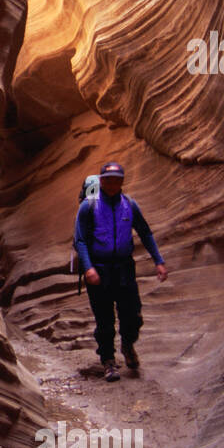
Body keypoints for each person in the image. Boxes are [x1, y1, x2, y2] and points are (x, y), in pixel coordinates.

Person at [73, 162, 169, 381]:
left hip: (124, 269)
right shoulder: (89, 206)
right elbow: (80, 240)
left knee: (132, 315)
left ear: (122, 181)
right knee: (104, 320)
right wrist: (88, 268)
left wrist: (159, 261)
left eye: (117, 179)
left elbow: (145, 233)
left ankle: (127, 345)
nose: (113, 183)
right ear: (101, 180)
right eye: (108, 179)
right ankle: (108, 361)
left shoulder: (130, 205)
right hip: (99, 269)